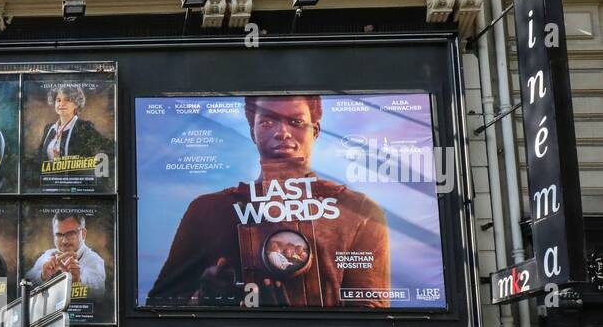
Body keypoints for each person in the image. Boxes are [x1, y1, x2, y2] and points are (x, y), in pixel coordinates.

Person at [145, 95, 391, 308]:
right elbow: (161, 304)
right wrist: (207, 298)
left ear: (315, 130)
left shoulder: (358, 211)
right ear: (253, 131)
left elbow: (373, 316)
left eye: (295, 122)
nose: (282, 132)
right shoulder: (208, 210)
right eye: (267, 121)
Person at [26, 213, 107, 301]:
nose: (64, 241)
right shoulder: (47, 256)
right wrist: (42, 276)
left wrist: (77, 281)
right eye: (59, 235)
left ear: (83, 234)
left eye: (71, 234)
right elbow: (25, 285)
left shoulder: (94, 260)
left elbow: (98, 292)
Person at [35, 84, 113, 163]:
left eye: (67, 100)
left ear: (76, 104)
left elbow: (110, 148)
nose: (61, 104)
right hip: (49, 175)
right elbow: (39, 158)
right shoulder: (49, 128)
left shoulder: (84, 127)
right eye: (58, 100)